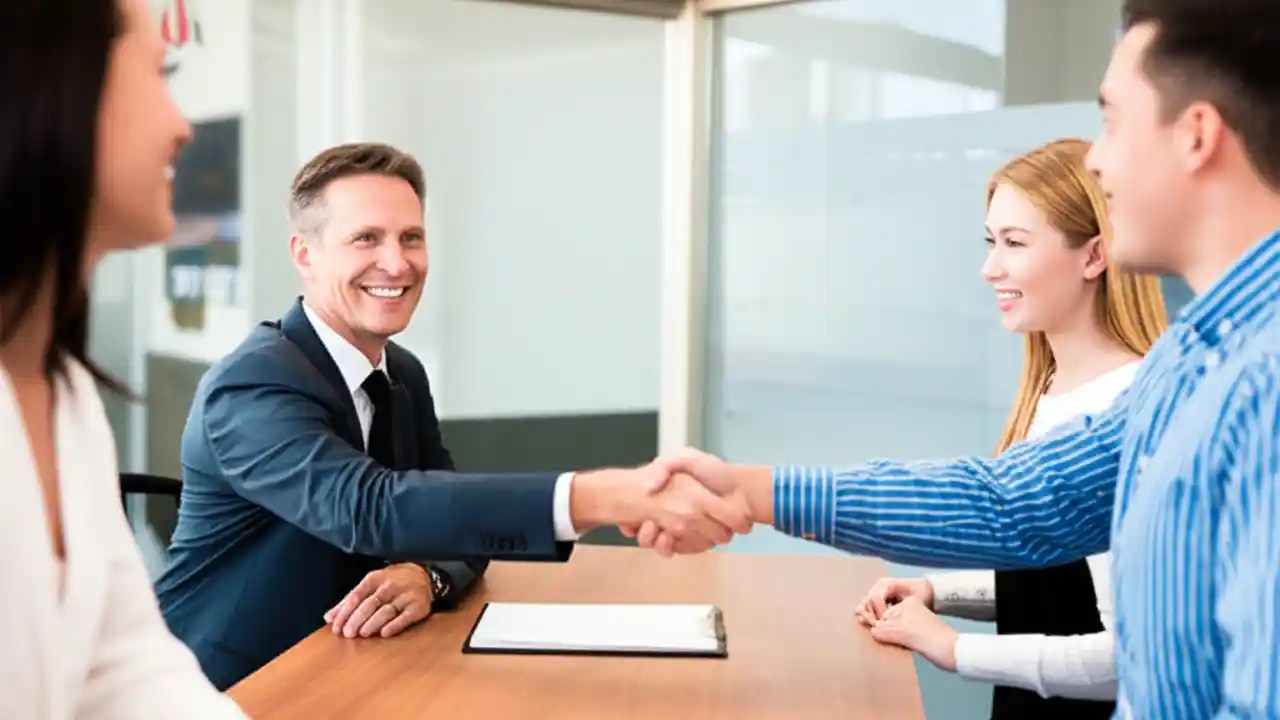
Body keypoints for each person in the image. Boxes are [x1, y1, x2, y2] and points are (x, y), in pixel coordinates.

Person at [649, 0, 1280, 715]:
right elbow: (1015, 503)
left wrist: (952, 644)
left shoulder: (1264, 384)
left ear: (1197, 134)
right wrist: (749, 490)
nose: (1098, 159)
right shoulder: (1190, 362)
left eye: (1112, 120)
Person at [154, 142, 753, 690]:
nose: (397, 263)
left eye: (411, 238)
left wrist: (427, 576)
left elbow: (449, 516)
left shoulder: (401, 373)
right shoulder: (254, 383)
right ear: (304, 255)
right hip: (229, 684)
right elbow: (369, 508)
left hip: (355, 668)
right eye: (366, 239)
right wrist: (602, 497)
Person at [852, 138, 1166, 719]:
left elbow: (1132, 657)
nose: (990, 267)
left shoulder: (1127, 412)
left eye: (1015, 244)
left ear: (1094, 256)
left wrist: (953, 649)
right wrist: (938, 593)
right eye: (991, 241)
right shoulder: (1051, 395)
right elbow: (1064, 592)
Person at [0, 0, 244, 716]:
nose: (182, 125)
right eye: (158, 73)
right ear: (53, 87)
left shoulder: (63, 393)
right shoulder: (260, 375)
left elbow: (125, 669)